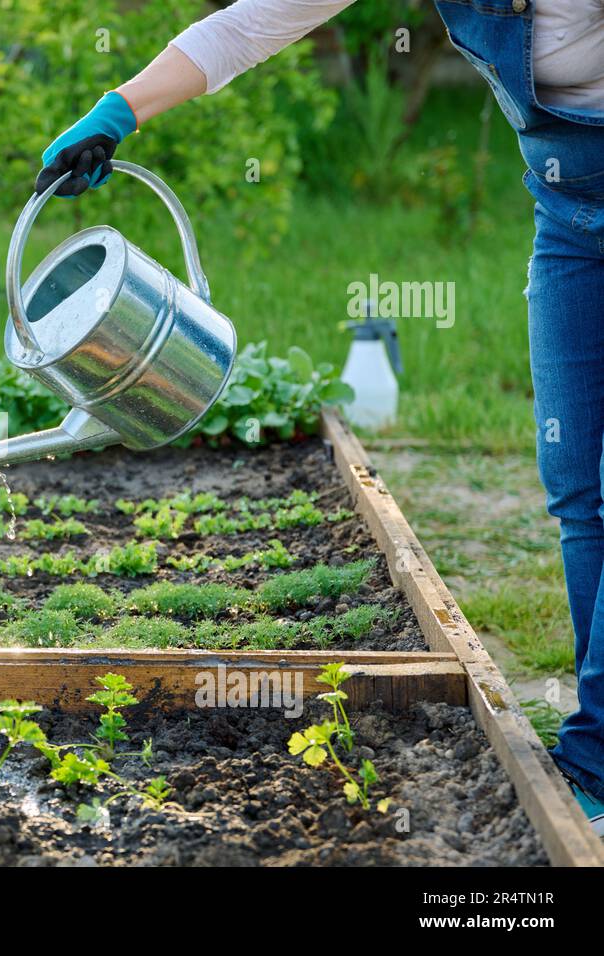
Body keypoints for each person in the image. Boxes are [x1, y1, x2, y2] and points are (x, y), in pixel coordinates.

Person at [35, 0, 604, 835]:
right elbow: (253, 23)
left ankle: (591, 759)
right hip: (568, 211)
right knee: (574, 487)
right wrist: (118, 112)